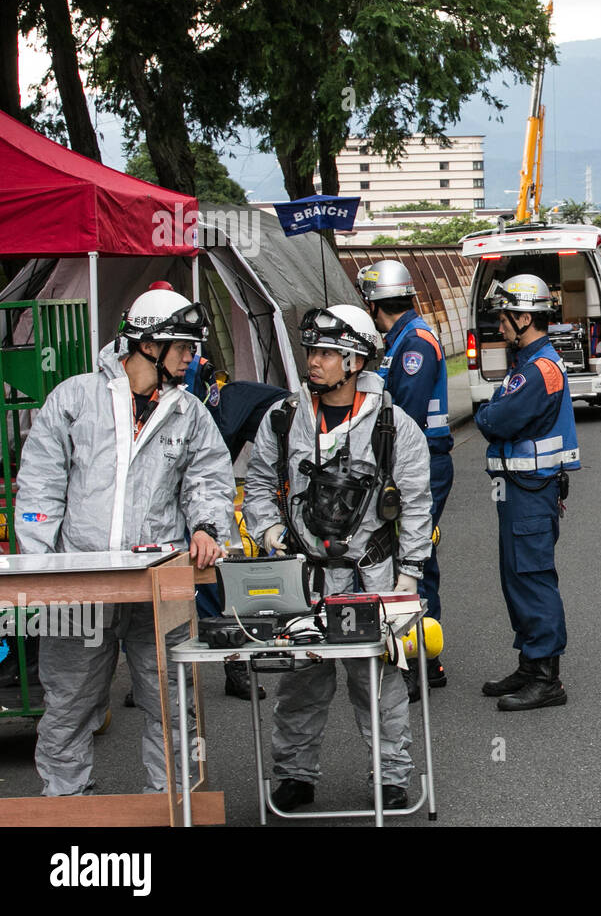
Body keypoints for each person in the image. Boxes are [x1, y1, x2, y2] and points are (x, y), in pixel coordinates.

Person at [16, 288, 233, 796]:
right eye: (181, 345)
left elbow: (210, 480)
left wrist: (206, 527)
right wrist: (40, 567)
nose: (190, 356)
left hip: (160, 585)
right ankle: (65, 805)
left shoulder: (190, 412)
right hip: (80, 585)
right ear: (146, 343)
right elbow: (41, 484)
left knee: (174, 701)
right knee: (70, 702)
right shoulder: (75, 398)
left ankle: (175, 803)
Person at [242, 304, 432, 812]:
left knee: (377, 681)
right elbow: (259, 483)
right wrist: (270, 532)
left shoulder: (393, 427)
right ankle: (295, 776)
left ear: (354, 362)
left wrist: (410, 575)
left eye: (326, 352)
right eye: (311, 351)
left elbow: (415, 503)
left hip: (370, 574)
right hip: (302, 575)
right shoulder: (283, 420)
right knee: (301, 681)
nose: (314, 361)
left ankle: (391, 778)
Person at [474, 274, 579, 711]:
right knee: (517, 574)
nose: (500, 326)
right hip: (523, 490)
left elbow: (494, 422)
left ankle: (546, 678)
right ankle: (529, 661)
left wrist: (487, 413)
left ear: (523, 317)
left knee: (532, 577)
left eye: (504, 317)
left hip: (529, 491)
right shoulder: (531, 364)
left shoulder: (538, 371)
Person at [355, 261, 453, 699]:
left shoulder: (414, 344)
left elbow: (404, 421)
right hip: (413, 463)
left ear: (376, 303)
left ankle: (422, 660)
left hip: (420, 464)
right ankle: (417, 654)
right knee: (406, 557)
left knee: (414, 558)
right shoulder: (402, 341)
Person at [184, 354, 290, 701]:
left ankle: (235, 664)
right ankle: (161, 673)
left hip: (203, 495)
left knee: (219, 575)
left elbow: (215, 449)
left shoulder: (223, 402)